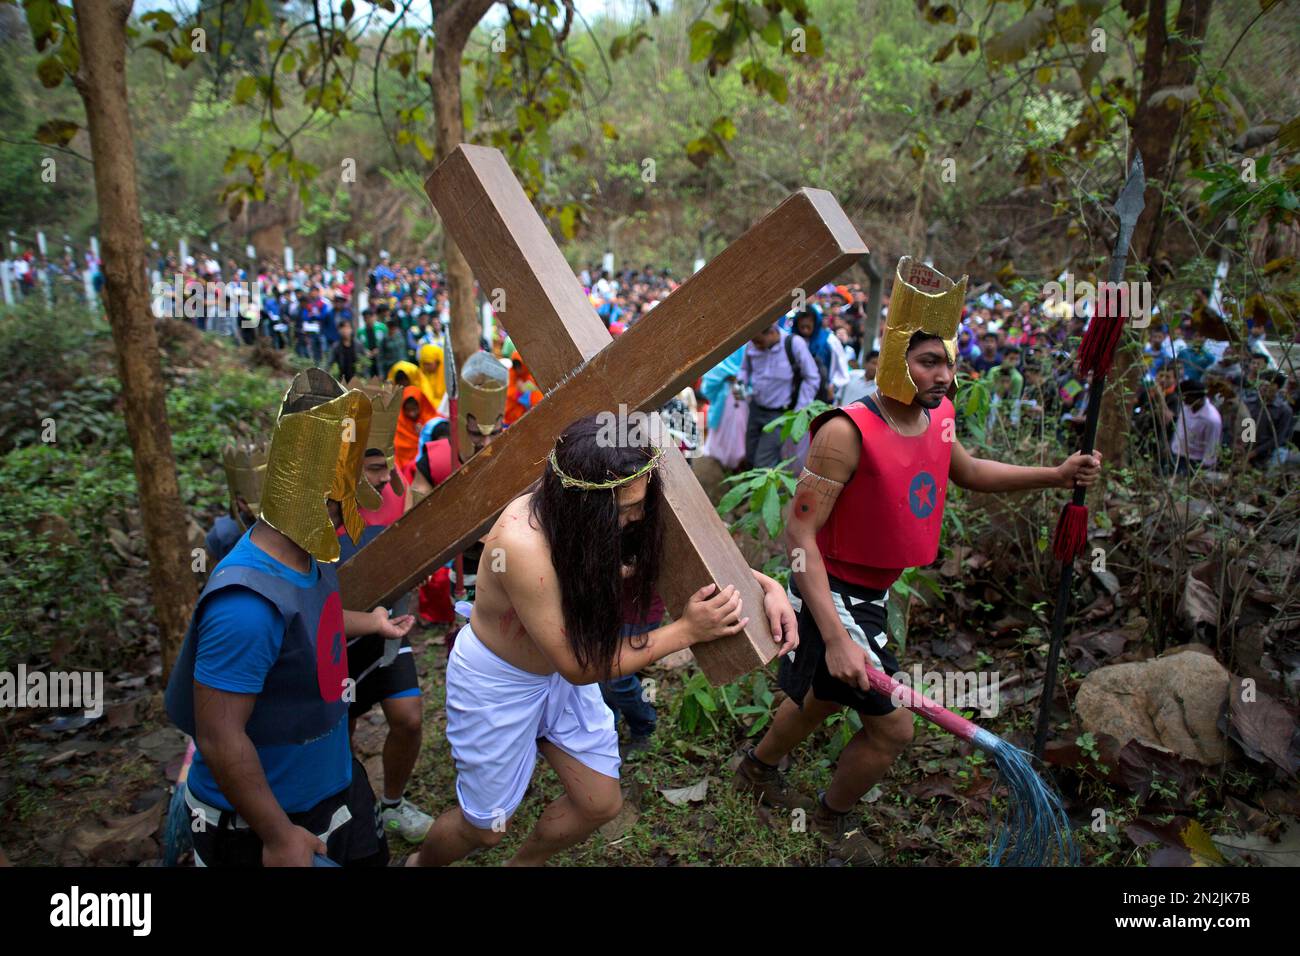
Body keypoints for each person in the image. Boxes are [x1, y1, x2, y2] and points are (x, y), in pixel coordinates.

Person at [733, 258, 1103, 862]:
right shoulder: (844, 433)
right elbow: (800, 540)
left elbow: (972, 472)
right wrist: (834, 636)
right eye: (930, 360)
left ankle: (754, 770)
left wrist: (1056, 475)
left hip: (873, 595)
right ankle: (830, 822)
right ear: (895, 358)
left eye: (950, 361)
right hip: (834, 593)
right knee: (894, 728)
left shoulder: (941, 418)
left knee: (822, 699)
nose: (944, 374)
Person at [407, 415, 798, 866]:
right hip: (501, 682)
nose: (638, 516)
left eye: (640, 504)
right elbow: (578, 665)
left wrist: (765, 587)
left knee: (598, 803)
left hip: (559, 674)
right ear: (583, 505)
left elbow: (677, 554)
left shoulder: (604, 511)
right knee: (485, 828)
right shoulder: (520, 544)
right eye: (626, 508)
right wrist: (685, 632)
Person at [165, 369, 414, 866]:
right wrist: (278, 836)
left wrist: (372, 623)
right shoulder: (244, 606)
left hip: (336, 791)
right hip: (266, 826)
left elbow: (311, 617)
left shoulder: (310, 552)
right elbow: (219, 735)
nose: (359, 502)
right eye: (346, 488)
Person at [738, 322, 821, 468]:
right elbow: (745, 368)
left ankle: (762, 488)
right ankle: (751, 487)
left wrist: (800, 409)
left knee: (764, 461)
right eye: (753, 342)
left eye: (759, 341)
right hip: (756, 409)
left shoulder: (794, 344)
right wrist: (740, 384)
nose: (755, 345)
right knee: (750, 454)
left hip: (779, 415)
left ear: (772, 332)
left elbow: (812, 377)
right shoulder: (752, 344)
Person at [206, 441, 267, 568]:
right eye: (244, 501)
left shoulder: (290, 530)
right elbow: (204, 569)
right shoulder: (221, 534)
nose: (251, 507)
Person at [1242, 371, 1294, 468]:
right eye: (1262, 384)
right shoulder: (1249, 403)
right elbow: (1246, 427)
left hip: (1269, 453)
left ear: (1278, 388)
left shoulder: (1284, 410)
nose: (1265, 387)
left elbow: (1279, 438)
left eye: (1270, 385)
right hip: (1247, 450)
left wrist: (1256, 452)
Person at [1170, 378, 1222, 473]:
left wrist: (1202, 471)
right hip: (1176, 453)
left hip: (1193, 461)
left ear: (1194, 398)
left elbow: (1211, 447)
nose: (1182, 400)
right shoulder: (1185, 406)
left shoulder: (1211, 419)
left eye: (1185, 398)